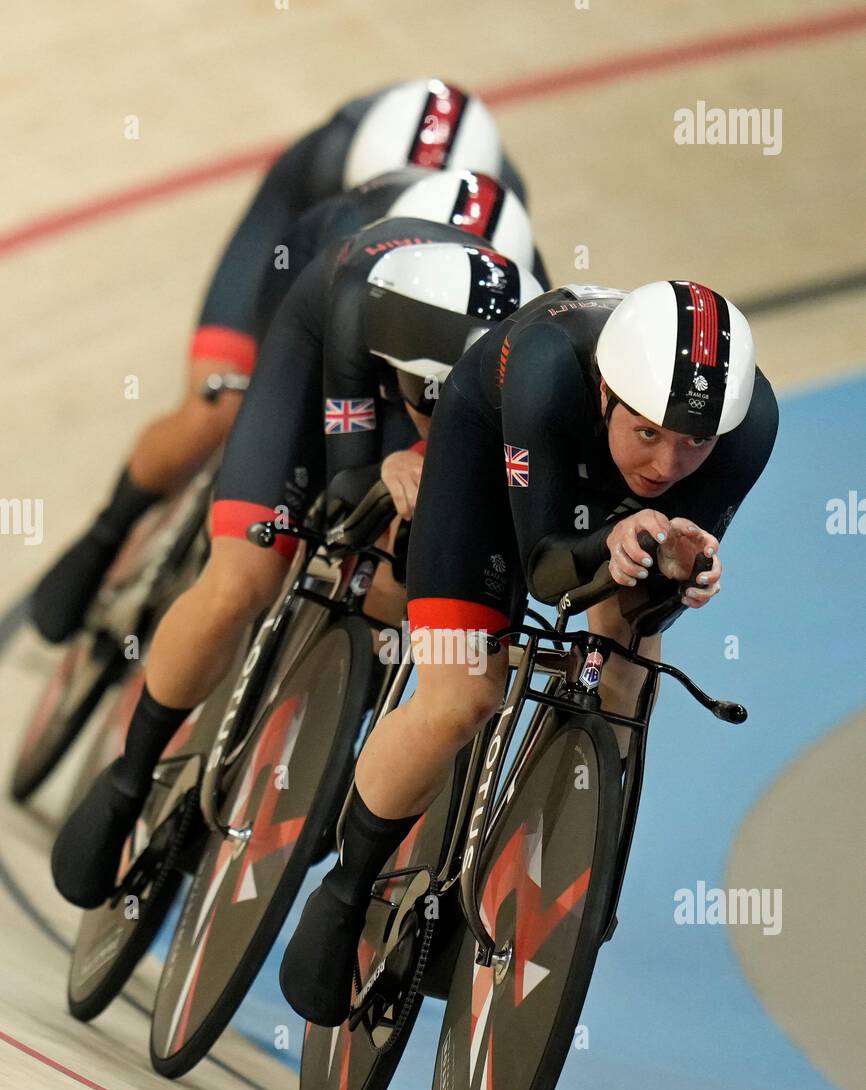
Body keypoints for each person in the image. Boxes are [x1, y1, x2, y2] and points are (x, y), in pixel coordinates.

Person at [278, 279, 780, 1027]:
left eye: (692, 444)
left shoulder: (749, 423)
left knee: (625, 675)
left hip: (591, 502)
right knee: (465, 697)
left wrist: (683, 569)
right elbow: (547, 567)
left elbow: (646, 600)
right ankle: (346, 889)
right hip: (492, 449)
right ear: (609, 391)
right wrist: (607, 549)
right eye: (649, 433)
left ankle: (578, 860)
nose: (670, 464)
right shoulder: (546, 368)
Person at [50, 232, 543, 909]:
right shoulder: (358, 299)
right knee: (239, 585)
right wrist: (373, 472)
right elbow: (349, 480)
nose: (430, 408)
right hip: (323, 355)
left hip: (452, 393)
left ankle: (345, 709)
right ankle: (130, 778)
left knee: (409, 552)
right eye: (420, 392)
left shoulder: (526, 342)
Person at [31, 79, 530, 643]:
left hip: (413, 318)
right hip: (314, 264)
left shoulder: (508, 231)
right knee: (216, 407)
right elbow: (290, 318)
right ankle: (108, 530)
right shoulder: (332, 171)